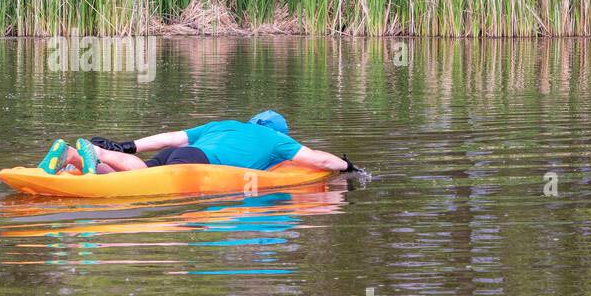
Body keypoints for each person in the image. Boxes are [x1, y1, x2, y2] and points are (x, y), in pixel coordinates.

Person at [36, 110, 361, 175]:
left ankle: (72, 157)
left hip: (180, 153)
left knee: (133, 173)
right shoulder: (277, 141)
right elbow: (319, 159)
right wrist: (348, 166)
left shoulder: (226, 124)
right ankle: (94, 151)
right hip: (198, 164)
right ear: (281, 132)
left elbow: (173, 137)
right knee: (141, 178)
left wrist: (129, 145)